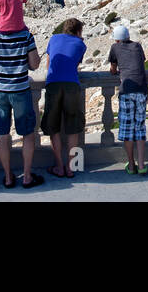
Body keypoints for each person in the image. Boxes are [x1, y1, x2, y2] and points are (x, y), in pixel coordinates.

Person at [0, 7, 44, 189]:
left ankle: (8, 177)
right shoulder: (26, 37)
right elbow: (34, 64)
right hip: (20, 90)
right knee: (27, 133)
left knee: (2, 134)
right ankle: (26, 176)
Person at [41, 18, 87, 179]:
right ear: (78, 31)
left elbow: (48, 64)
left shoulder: (53, 38)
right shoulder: (81, 44)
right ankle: (70, 167)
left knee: (53, 127)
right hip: (72, 85)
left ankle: (59, 166)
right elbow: (75, 64)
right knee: (73, 126)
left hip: (53, 83)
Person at [107, 24, 148, 175]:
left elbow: (113, 69)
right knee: (140, 127)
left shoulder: (115, 47)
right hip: (141, 89)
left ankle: (131, 165)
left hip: (127, 91)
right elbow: (140, 63)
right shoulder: (137, 46)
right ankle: (142, 164)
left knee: (127, 129)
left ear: (117, 40)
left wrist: (117, 70)